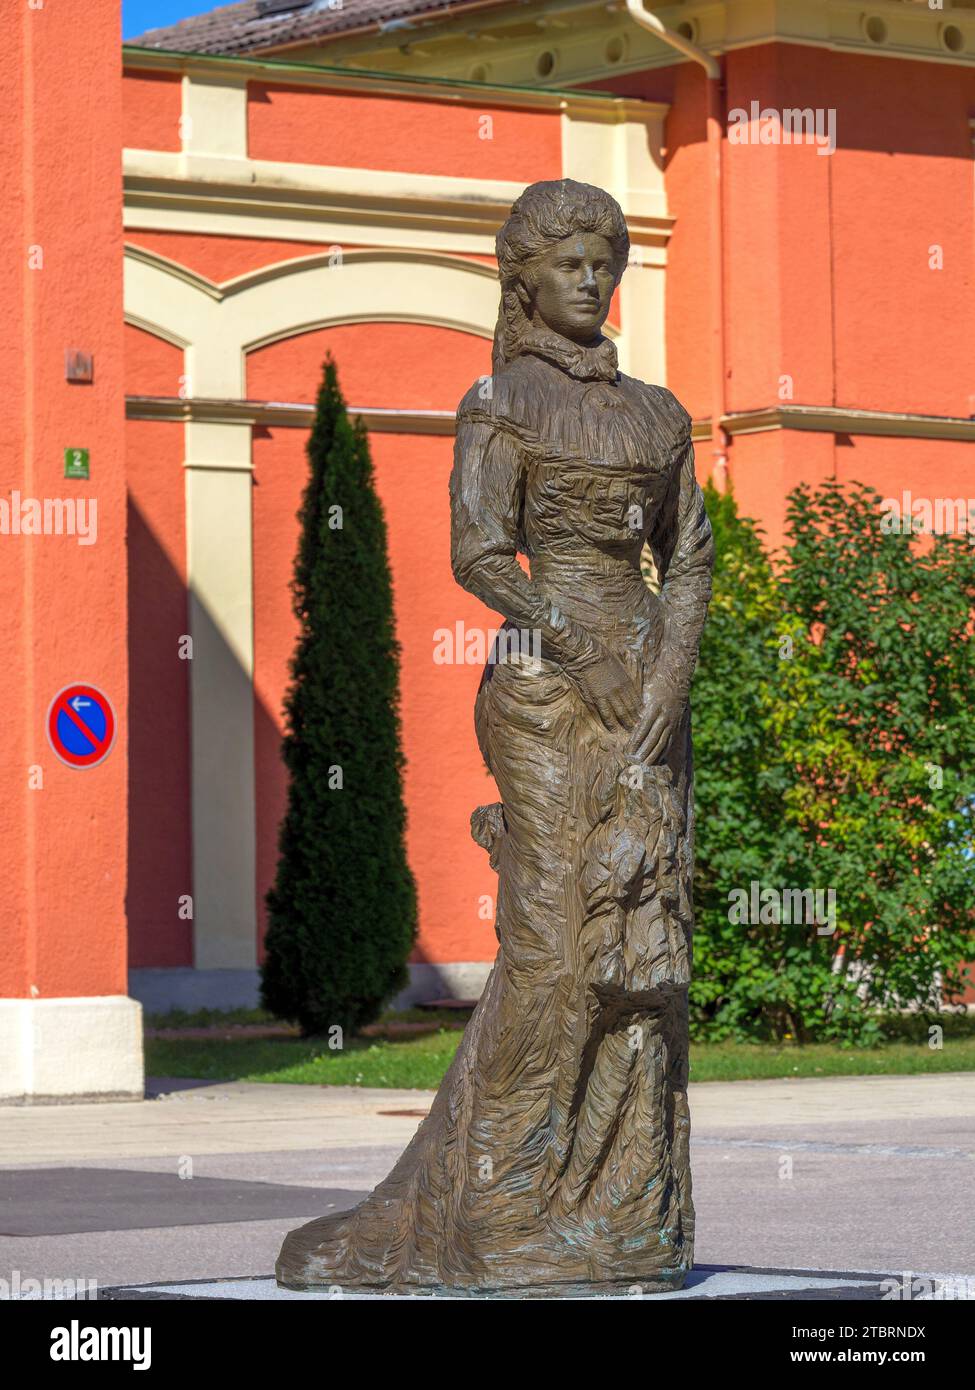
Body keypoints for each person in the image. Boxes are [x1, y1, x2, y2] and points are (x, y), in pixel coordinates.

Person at [277, 178, 714, 1294]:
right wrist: (585, 649)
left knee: (642, 958)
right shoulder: (501, 403)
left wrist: (665, 671)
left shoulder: (659, 413)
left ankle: (627, 1209)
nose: (592, 277)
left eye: (605, 260)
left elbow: (692, 555)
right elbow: (480, 554)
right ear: (524, 278)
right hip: (543, 688)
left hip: (649, 699)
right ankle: (503, 1200)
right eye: (570, 262)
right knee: (557, 948)